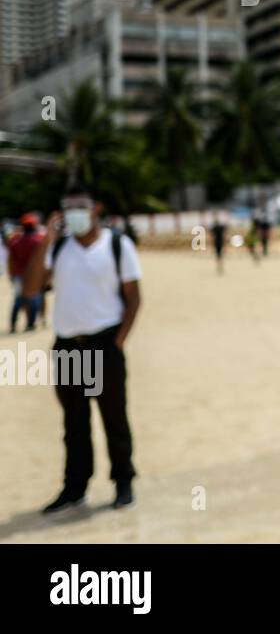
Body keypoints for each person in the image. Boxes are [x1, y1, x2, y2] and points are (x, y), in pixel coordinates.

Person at [25, 184, 142, 514]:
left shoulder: (118, 245)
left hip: (104, 343)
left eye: (81, 205)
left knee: (114, 419)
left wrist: (118, 341)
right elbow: (33, 287)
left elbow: (134, 297)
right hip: (68, 348)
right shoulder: (59, 247)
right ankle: (74, 487)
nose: (74, 212)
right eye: (68, 206)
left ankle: (123, 482)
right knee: (74, 424)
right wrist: (46, 239)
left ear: (96, 208)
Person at [7, 212, 44, 333]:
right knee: (34, 299)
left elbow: (11, 261)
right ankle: (30, 323)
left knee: (18, 299)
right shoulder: (38, 242)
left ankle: (13, 324)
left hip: (18, 274)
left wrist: (11, 274)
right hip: (33, 275)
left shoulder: (15, 242)